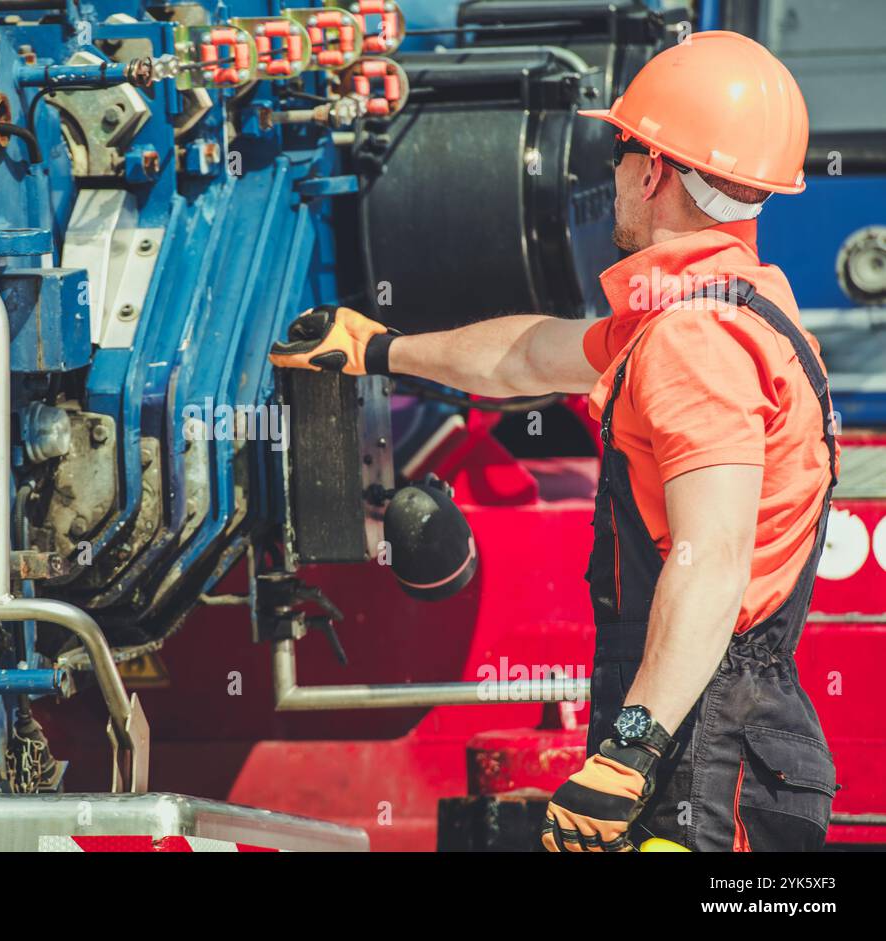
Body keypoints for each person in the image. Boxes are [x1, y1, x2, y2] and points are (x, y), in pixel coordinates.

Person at [268, 31, 839, 852]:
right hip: (713, 739)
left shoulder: (694, 340)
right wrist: (379, 348)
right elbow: (528, 355)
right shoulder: (727, 314)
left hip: (704, 756)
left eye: (616, 148)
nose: (605, 174)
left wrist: (633, 748)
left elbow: (711, 557)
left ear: (653, 169)